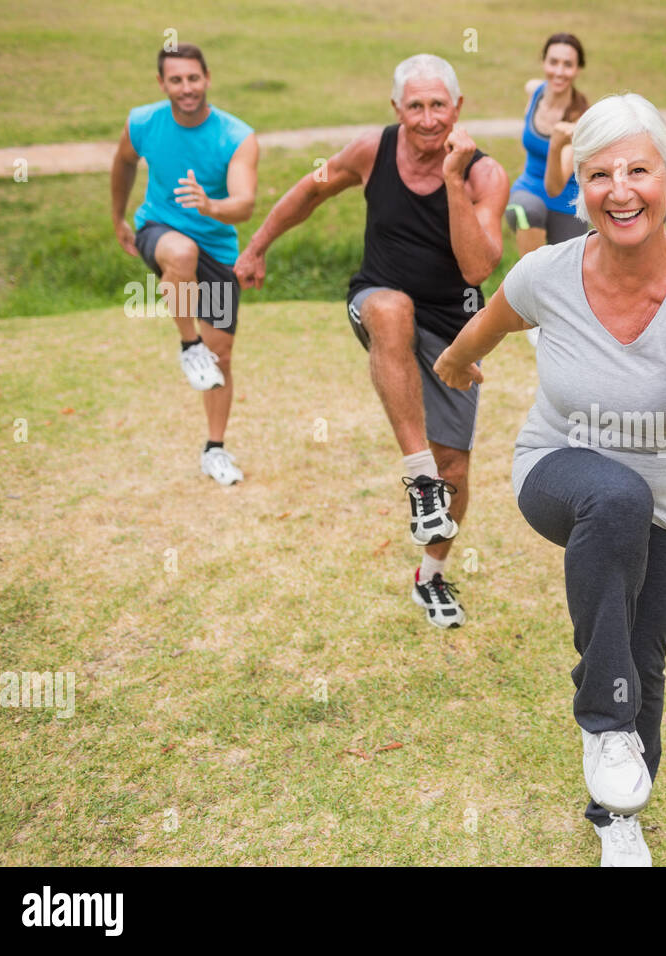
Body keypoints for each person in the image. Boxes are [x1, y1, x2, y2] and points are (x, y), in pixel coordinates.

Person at [434, 93, 666, 866]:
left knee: (644, 660)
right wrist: (450, 363)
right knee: (615, 496)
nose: (620, 188)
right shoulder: (550, 273)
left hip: (663, 509)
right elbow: (492, 321)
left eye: (639, 169)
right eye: (599, 172)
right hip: (555, 470)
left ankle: (616, 818)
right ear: (580, 187)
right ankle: (604, 727)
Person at [233, 55, 508, 628]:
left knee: (456, 466)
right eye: (415, 106)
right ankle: (419, 478)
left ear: (458, 108)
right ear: (396, 110)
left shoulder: (484, 175)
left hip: (454, 325)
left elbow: (478, 267)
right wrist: (257, 244)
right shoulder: (371, 150)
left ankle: (430, 575)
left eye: (438, 105)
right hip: (379, 300)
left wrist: (453, 180)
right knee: (392, 308)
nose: (427, 118)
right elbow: (310, 193)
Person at [111, 43, 258, 486]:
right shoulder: (142, 122)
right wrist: (117, 216)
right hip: (159, 230)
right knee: (180, 253)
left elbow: (245, 204)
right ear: (162, 83)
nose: (186, 88)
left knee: (222, 357)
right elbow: (122, 163)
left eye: (193, 78)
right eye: (176, 80)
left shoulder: (237, 136)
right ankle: (187, 345)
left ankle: (214, 449)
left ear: (207, 78)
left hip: (216, 248)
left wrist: (210, 206)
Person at [504, 33, 591, 257]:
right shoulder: (536, 92)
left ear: (578, 69)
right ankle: (526, 283)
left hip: (565, 202)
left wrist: (555, 145)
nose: (559, 72)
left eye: (568, 65)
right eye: (553, 62)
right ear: (544, 62)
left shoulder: (579, 120)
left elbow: (554, 188)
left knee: (568, 276)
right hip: (527, 190)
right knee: (528, 211)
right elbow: (530, 84)